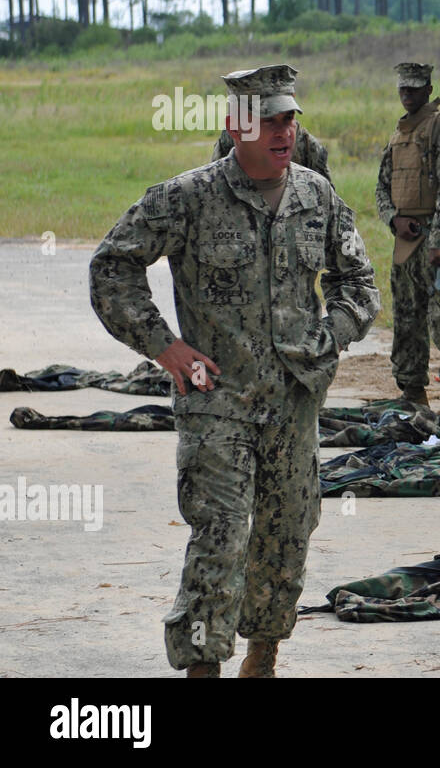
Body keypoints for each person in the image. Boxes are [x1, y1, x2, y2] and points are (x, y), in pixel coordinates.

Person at [89, 64, 380, 677]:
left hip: (294, 402)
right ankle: (203, 668)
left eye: (290, 119)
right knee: (221, 536)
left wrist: (330, 338)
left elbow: (359, 283)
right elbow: (112, 266)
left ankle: (263, 658)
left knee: (286, 537)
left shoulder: (315, 195)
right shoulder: (186, 198)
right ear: (236, 125)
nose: (285, 132)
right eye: (271, 120)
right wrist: (165, 346)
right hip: (218, 399)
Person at [375, 62, 440, 414]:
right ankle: (412, 391)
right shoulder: (399, 134)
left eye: (414, 89)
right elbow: (382, 188)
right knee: (406, 319)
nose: (407, 95)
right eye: (403, 88)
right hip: (405, 241)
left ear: (429, 90)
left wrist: (439, 241)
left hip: (435, 243)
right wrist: (393, 219)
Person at [212, 117, 331, 181]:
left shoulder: (307, 144)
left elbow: (326, 200)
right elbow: (216, 178)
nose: (282, 133)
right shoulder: (233, 135)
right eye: (267, 120)